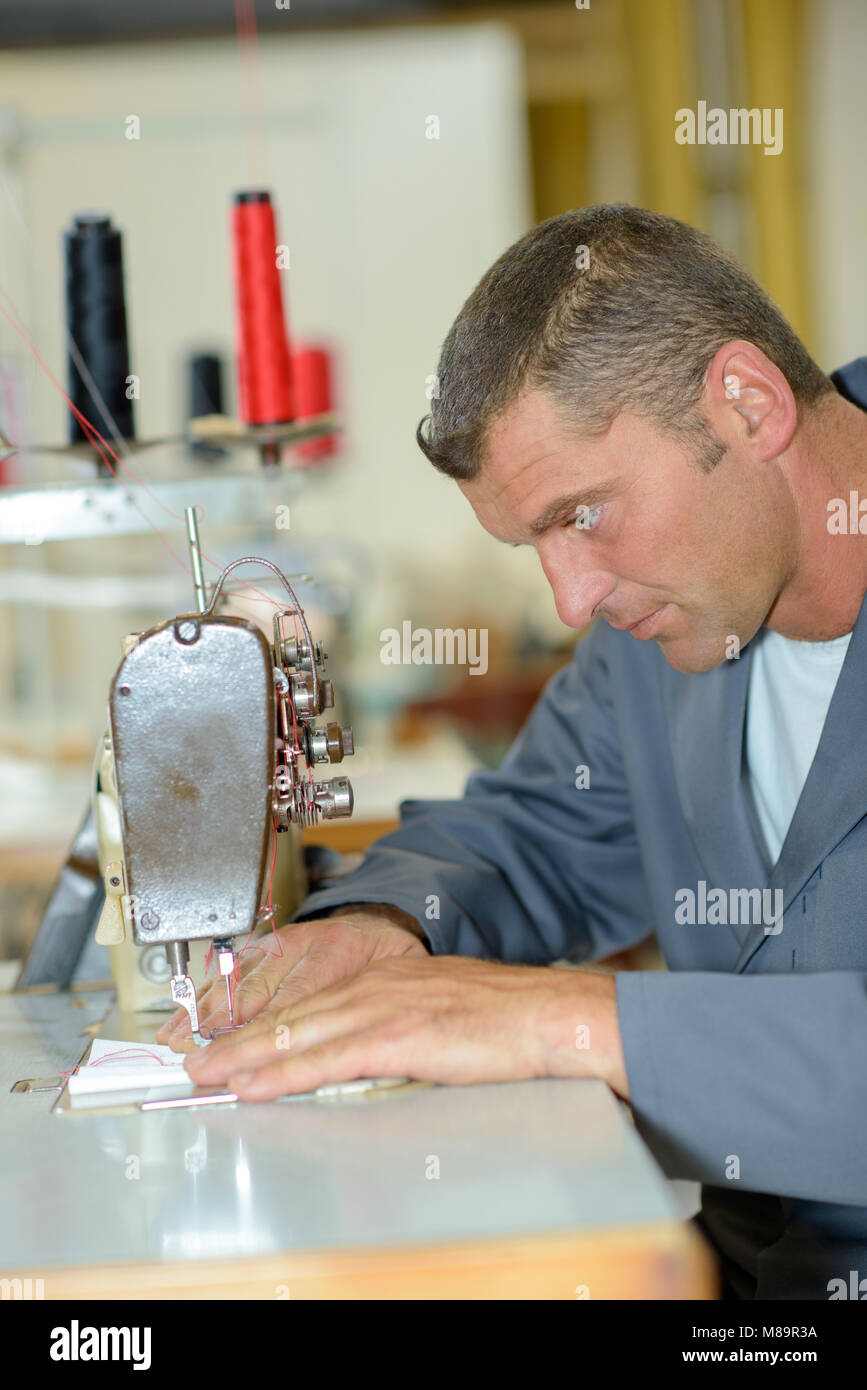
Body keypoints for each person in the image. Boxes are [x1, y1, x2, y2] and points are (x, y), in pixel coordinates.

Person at [159, 205, 867, 1300]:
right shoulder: (676, 622)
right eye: (535, 543)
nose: (572, 600)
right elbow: (536, 830)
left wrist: (556, 1020)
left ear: (747, 403)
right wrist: (382, 926)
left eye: (583, 516)